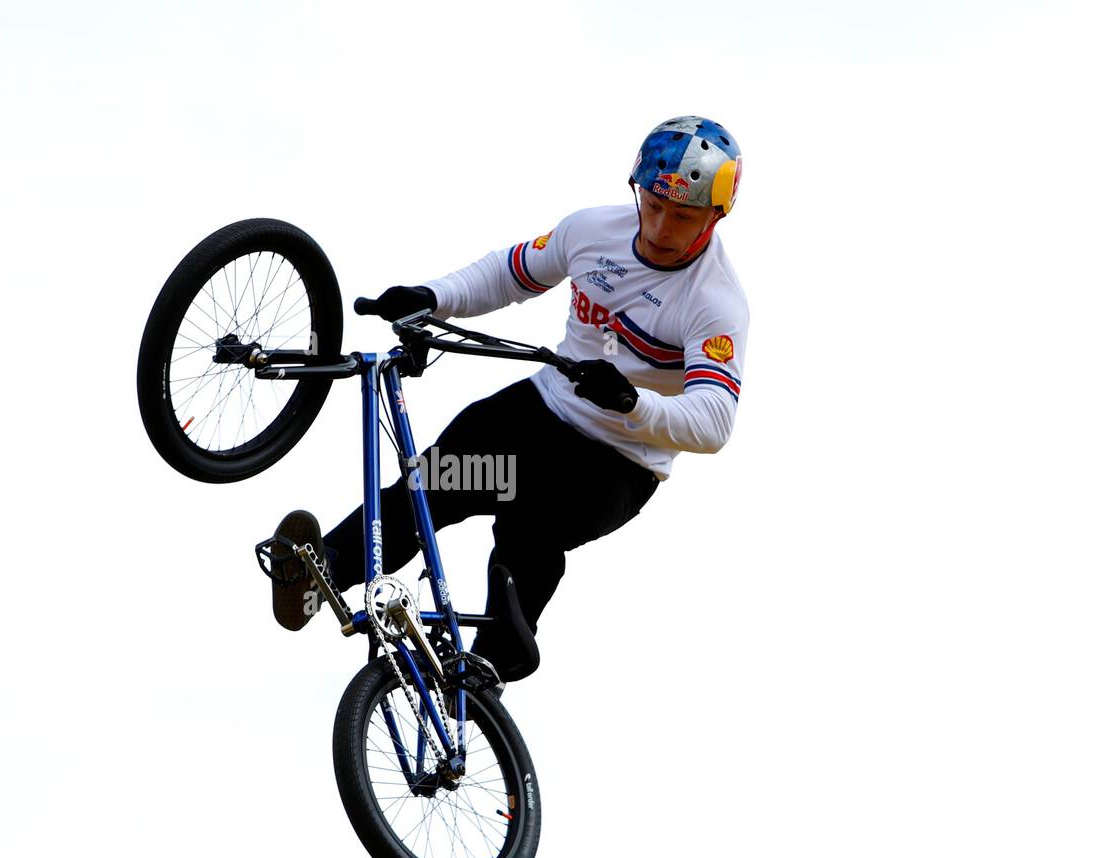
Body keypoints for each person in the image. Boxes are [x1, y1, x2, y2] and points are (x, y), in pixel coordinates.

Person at [264, 115, 749, 695]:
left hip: (619, 463)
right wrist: (432, 298)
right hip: (541, 410)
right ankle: (322, 575)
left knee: (530, 521)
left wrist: (633, 403)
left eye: (685, 216)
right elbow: (510, 274)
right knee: (434, 480)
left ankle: (495, 662)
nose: (663, 226)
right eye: (654, 204)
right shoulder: (591, 232)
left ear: (717, 215)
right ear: (637, 188)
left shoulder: (715, 301)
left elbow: (714, 422)